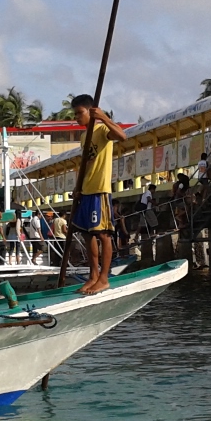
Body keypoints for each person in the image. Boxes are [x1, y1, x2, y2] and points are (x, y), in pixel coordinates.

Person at [70, 95, 128, 294]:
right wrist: (78, 187)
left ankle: (104, 278)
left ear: (90, 111)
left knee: (103, 234)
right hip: (86, 189)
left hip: (100, 190)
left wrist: (103, 117)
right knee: (87, 234)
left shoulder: (102, 129)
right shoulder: (84, 136)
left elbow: (122, 136)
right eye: (75, 114)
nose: (77, 118)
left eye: (80, 113)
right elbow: (86, 163)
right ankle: (93, 275)